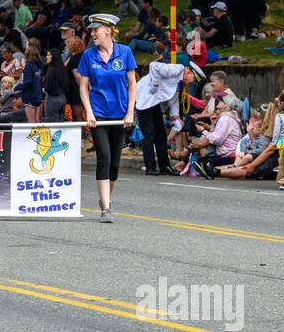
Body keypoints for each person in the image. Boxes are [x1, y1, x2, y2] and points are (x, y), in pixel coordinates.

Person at [75, 14, 137, 222]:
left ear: (108, 30)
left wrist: (130, 112)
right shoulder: (88, 56)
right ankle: (106, 209)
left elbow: (132, 84)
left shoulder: (125, 52)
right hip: (98, 114)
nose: (92, 34)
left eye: (96, 30)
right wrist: (89, 112)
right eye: (91, 30)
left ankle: (106, 200)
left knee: (115, 164)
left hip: (119, 114)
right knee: (104, 157)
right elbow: (83, 88)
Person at [135, 59, 203, 175]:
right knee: (149, 135)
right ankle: (150, 167)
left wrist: (175, 117)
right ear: (189, 73)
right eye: (193, 80)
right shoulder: (177, 69)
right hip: (144, 99)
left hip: (155, 103)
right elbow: (154, 65)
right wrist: (155, 84)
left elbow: (174, 100)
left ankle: (164, 166)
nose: (192, 83)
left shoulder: (181, 82)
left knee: (161, 135)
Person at [42, 48, 72, 123]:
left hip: (52, 98)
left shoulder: (51, 70)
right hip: (63, 98)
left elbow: (47, 87)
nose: (47, 57)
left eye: (49, 55)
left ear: (53, 56)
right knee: (60, 122)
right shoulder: (62, 68)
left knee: (51, 123)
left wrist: (43, 88)